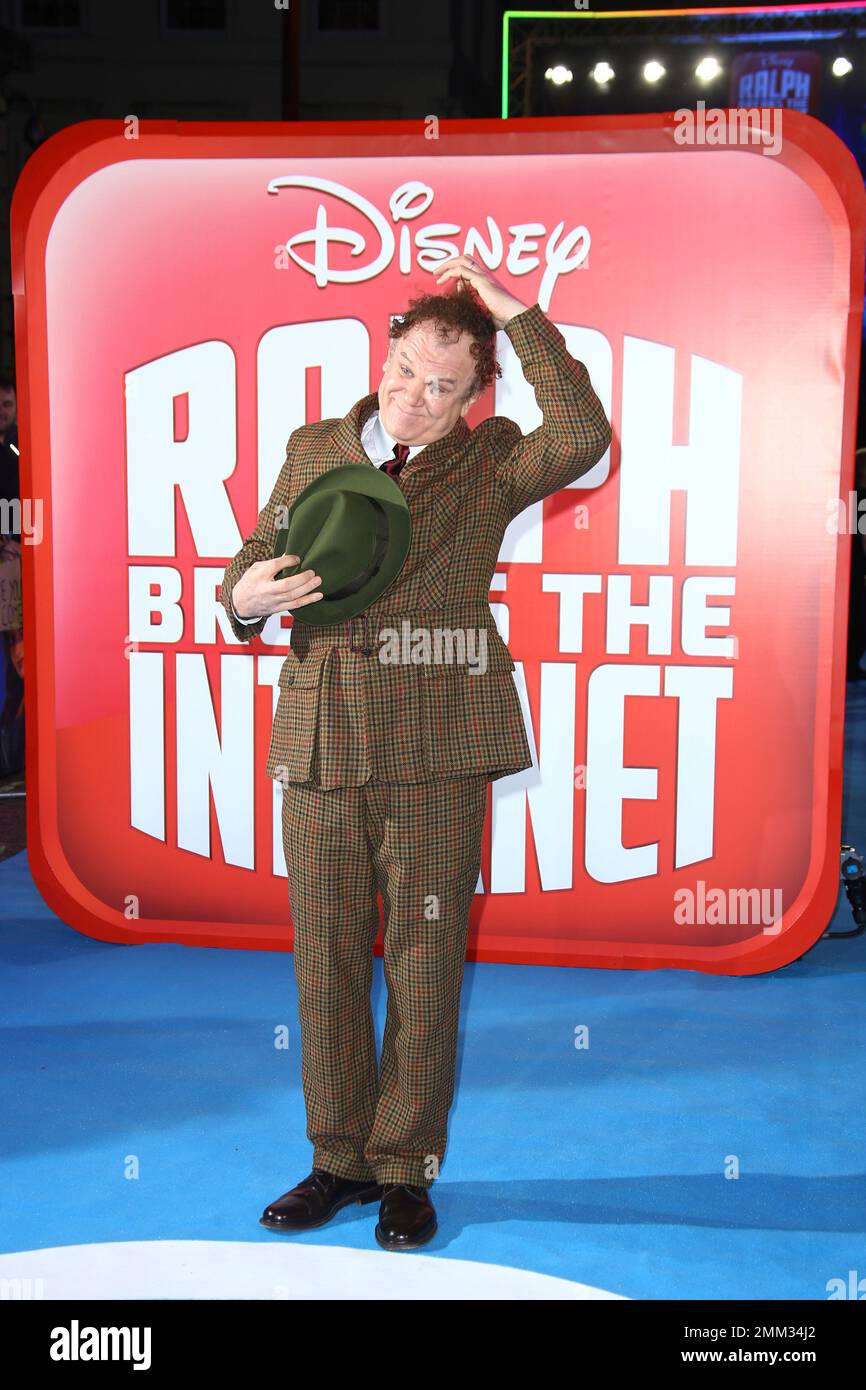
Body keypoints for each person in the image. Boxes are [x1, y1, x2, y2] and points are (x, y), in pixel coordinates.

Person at [220, 255, 612, 1250]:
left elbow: (582, 434)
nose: (414, 398)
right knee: (324, 963)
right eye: (403, 371)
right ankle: (336, 1159)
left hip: (436, 744)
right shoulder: (313, 446)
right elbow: (253, 550)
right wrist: (241, 598)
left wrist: (513, 310)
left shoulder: (490, 461)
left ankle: (405, 1169)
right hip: (320, 735)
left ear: (474, 392)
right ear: (382, 358)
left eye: (443, 385)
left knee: (426, 963)